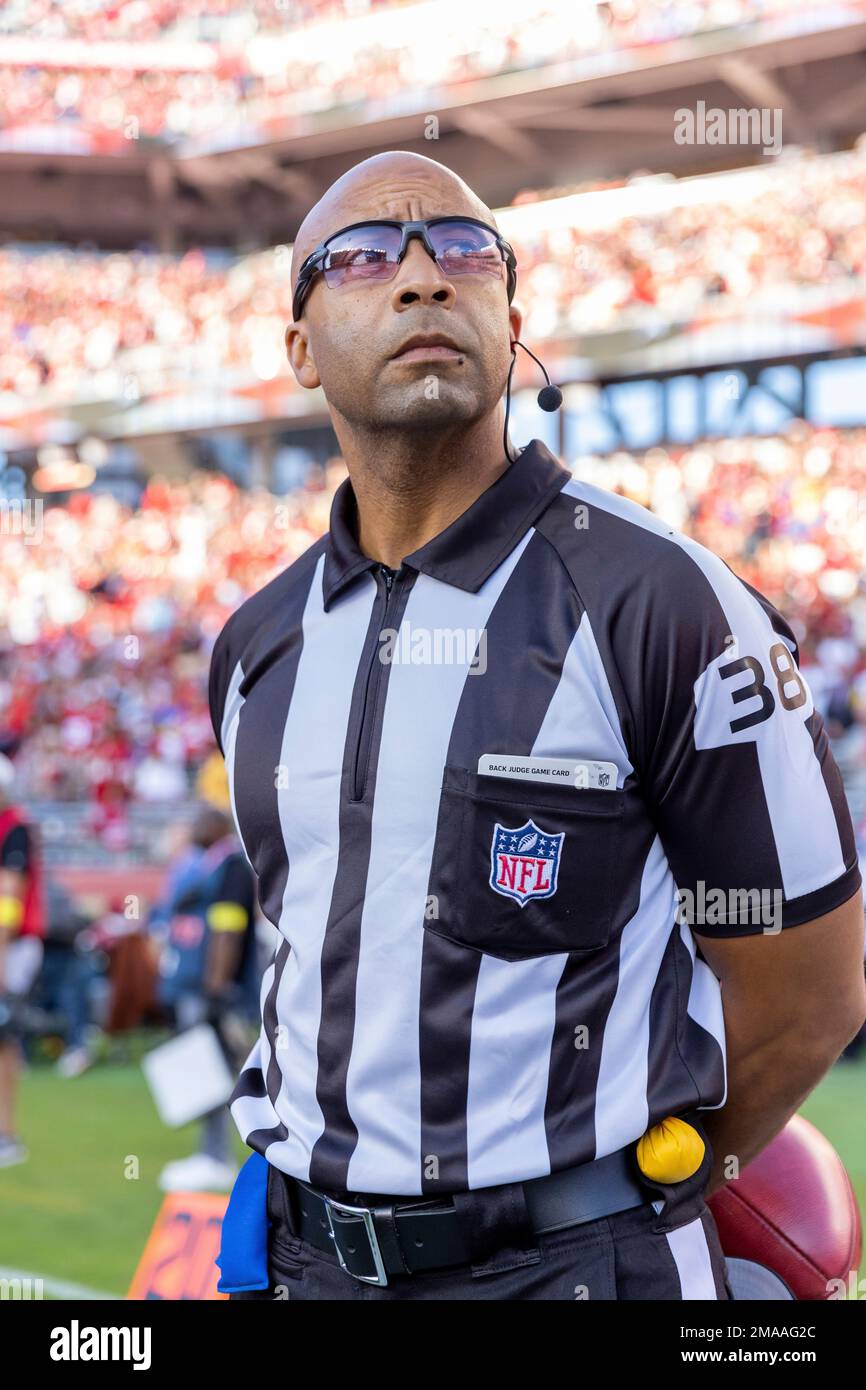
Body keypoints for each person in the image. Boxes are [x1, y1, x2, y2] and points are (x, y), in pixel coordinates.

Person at [209, 151, 866, 1300]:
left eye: (461, 250)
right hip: (305, 1263)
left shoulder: (661, 601)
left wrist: (609, 1207)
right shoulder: (257, 646)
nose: (421, 279)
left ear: (511, 321)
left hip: (569, 1268)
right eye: (362, 256)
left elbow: (808, 994)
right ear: (300, 348)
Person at [154, 804, 259, 1192]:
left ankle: (218, 1157)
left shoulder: (230, 866)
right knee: (203, 1070)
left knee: (215, 1070)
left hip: (210, 990)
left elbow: (227, 929)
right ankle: (211, 1153)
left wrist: (216, 987)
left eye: (200, 821)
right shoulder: (206, 864)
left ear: (218, 827)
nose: (193, 828)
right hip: (193, 985)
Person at [0, 753, 46, 1167]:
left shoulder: (13, 828)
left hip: (11, 948)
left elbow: (8, 901)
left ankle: (6, 1134)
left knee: (4, 1037)